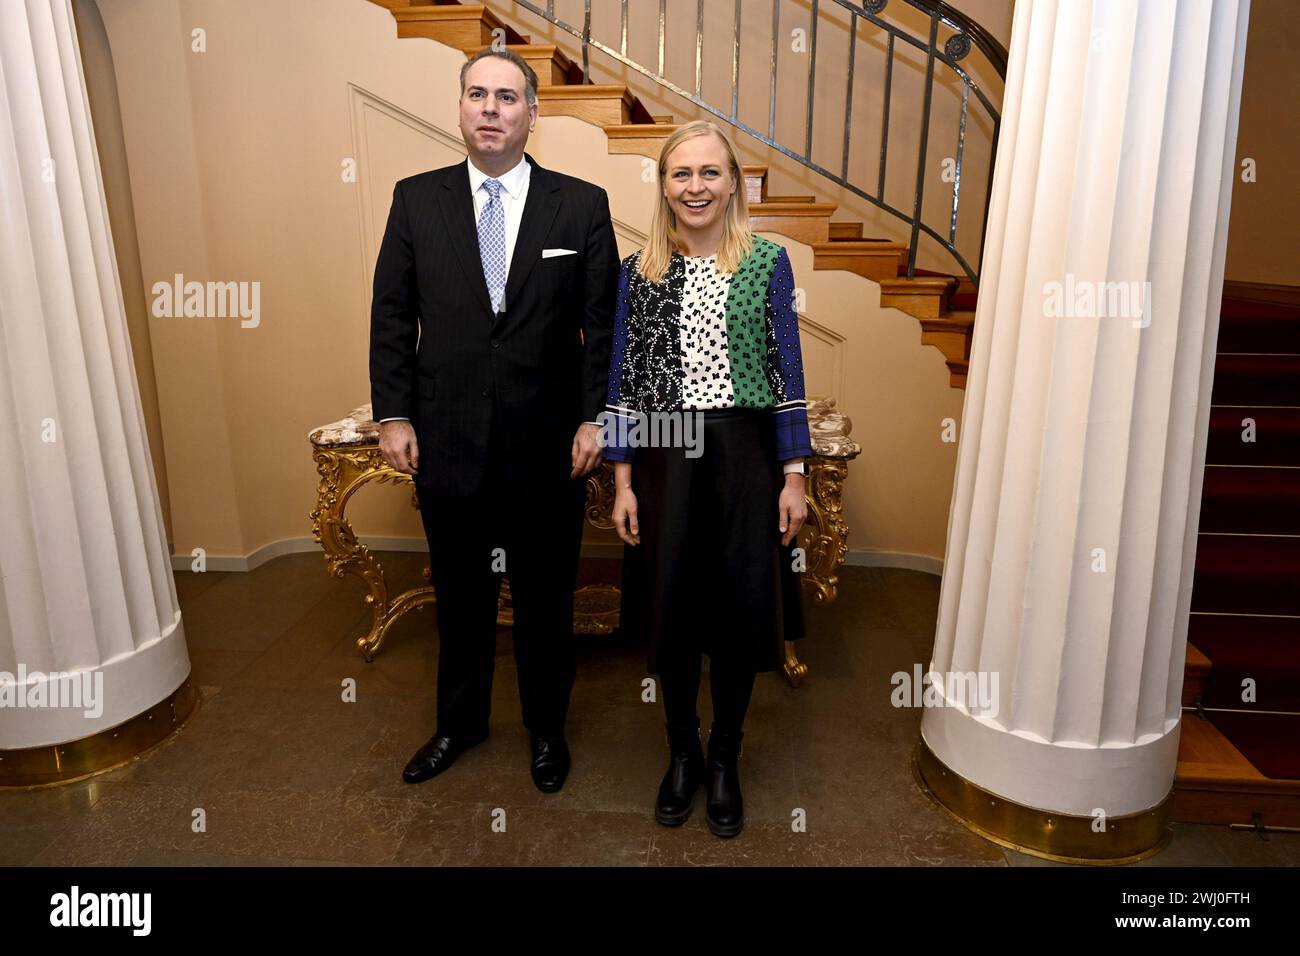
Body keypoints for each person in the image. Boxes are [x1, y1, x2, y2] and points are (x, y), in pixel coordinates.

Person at [369, 47, 618, 793]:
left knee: (545, 600)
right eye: (477, 94)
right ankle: (459, 724)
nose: (490, 108)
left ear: (531, 114)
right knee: (463, 596)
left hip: (548, 447)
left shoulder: (581, 204)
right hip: (447, 440)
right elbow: (391, 316)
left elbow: (600, 326)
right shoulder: (415, 199)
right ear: (459, 108)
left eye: (506, 97)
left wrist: (593, 419)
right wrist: (394, 413)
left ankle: (547, 733)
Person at [604, 121, 811, 837]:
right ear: (663, 186)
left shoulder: (768, 263)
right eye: (680, 174)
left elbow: (789, 372)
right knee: (674, 609)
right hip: (665, 456)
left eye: (709, 173)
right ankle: (682, 754)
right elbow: (624, 382)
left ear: (734, 184)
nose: (695, 187)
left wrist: (793, 475)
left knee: (736, 610)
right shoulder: (638, 273)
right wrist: (624, 482)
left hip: (745, 456)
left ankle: (726, 758)